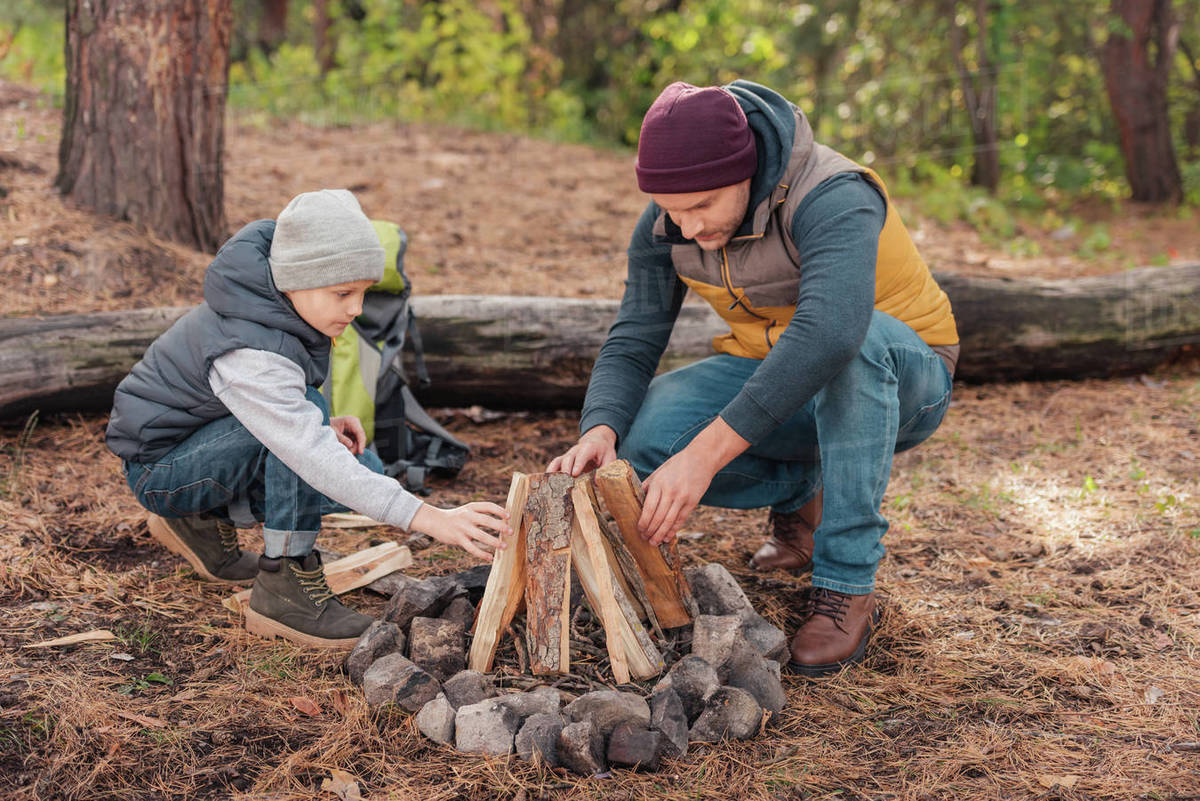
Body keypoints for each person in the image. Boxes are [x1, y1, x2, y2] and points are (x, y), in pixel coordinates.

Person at [548, 80, 958, 676]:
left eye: (702, 207)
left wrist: (706, 454)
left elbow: (831, 334)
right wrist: (600, 428)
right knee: (644, 438)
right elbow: (636, 332)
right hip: (777, 372)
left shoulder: (836, 194)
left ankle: (845, 582)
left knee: (855, 345)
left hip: (905, 375)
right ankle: (803, 494)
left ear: (746, 171)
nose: (686, 228)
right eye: (671, 210)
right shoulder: (671, 217)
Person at [106, 190, 510, 648]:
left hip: (193, 446)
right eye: (343, 293)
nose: (356, 309)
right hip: (162, 473)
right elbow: (299, 443)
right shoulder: (249, 351)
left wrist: (324, 421)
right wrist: (427, 517)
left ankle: (197, 521)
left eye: (362, 293)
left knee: (358, 469)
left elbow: (273, 405)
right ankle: (284, 582)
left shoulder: (271, 307)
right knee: (314, 460)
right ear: (297, 280)